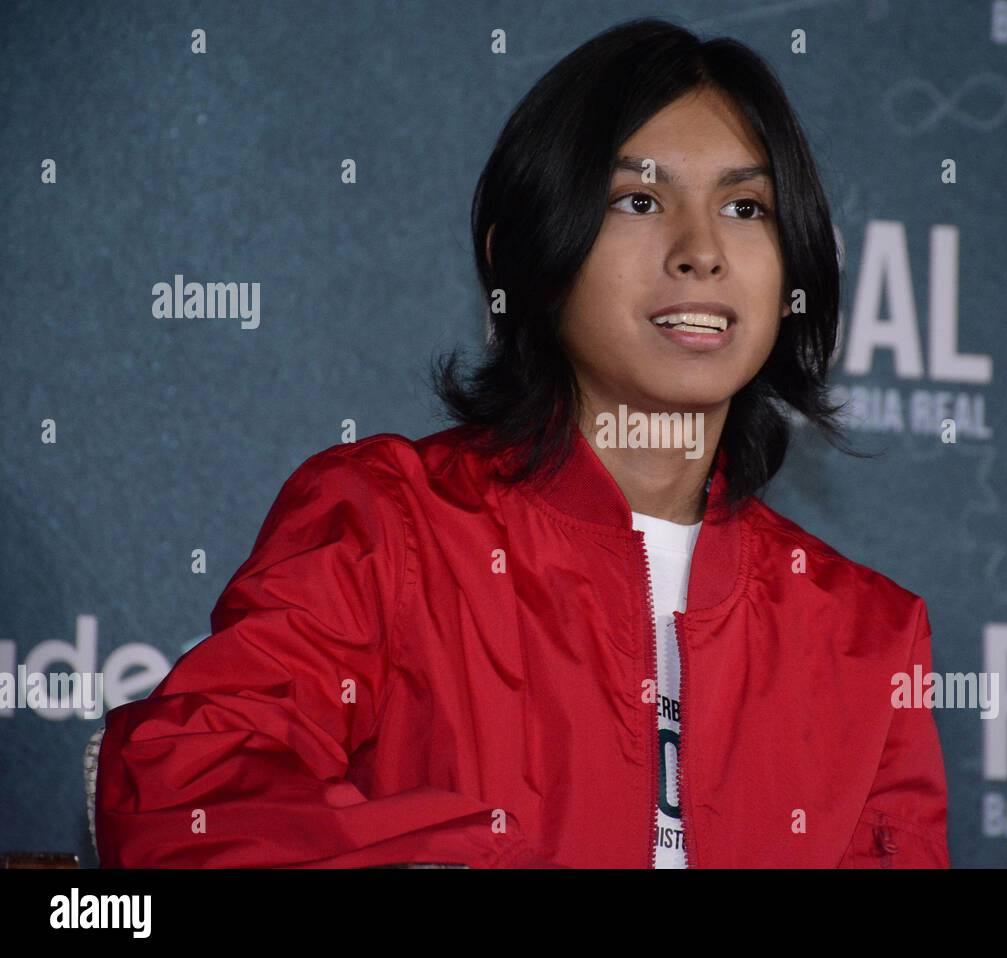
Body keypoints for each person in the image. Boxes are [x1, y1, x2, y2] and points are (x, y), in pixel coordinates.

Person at [95, 17, 950, 869]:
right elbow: (186, 793)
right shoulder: (389, 526)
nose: (701, 252)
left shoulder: (869, 637)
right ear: (527, 256)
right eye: (640, 201)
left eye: (744, 206)